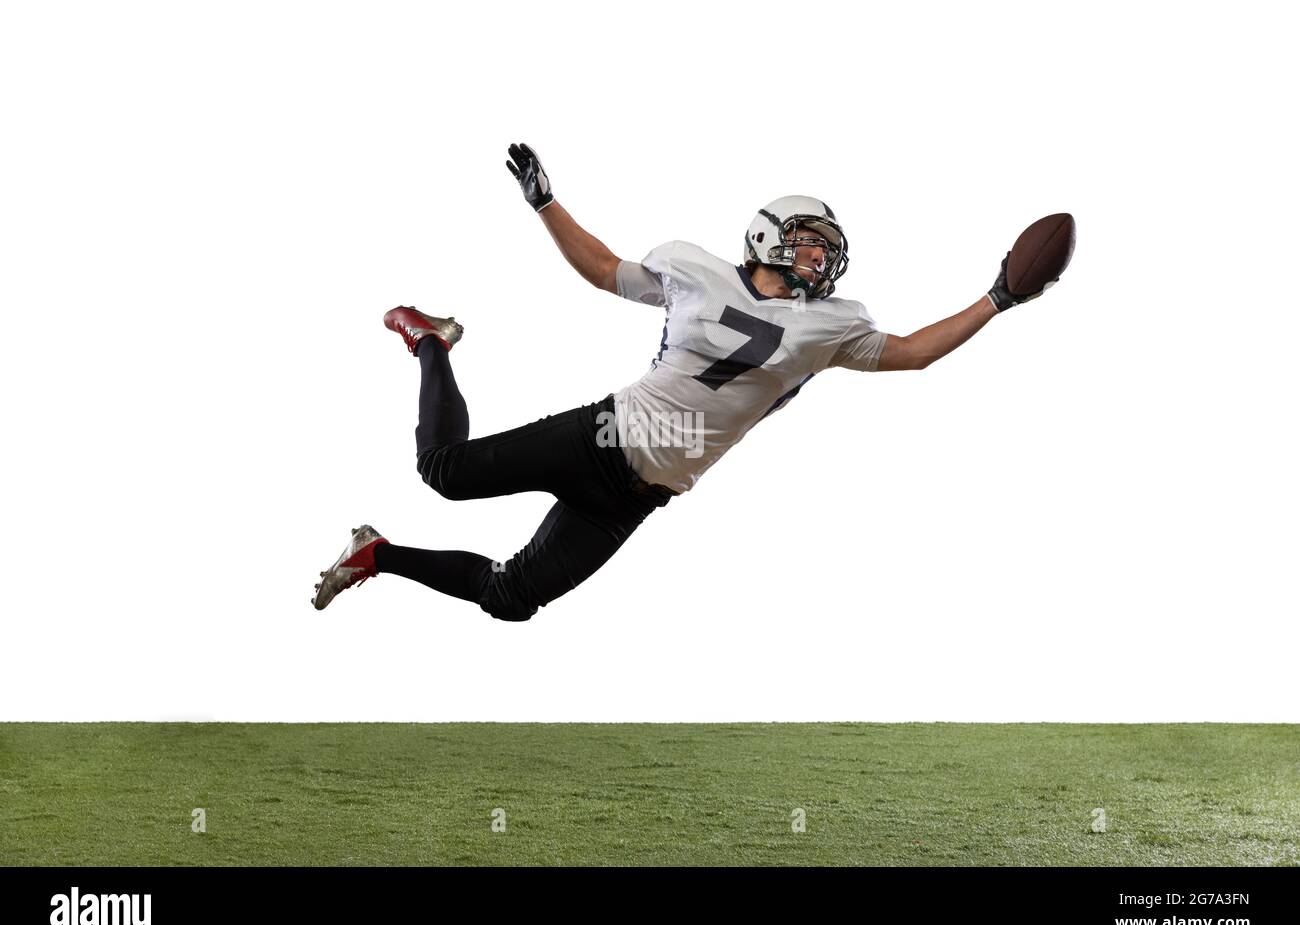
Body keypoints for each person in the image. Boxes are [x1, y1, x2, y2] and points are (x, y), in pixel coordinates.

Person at [312, 143, 1049, 621]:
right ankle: (431, 340)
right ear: (768, 235)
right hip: (604, 435)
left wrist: (997, 299)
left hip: (638, 498)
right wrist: (545, 202)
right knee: (443, 471)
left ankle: (374, 553)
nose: (821, 258)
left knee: (511, 599)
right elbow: (604, 269)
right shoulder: (696, 270)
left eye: (829, 249)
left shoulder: (831, 328)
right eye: (809, 241)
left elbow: (916, 350)